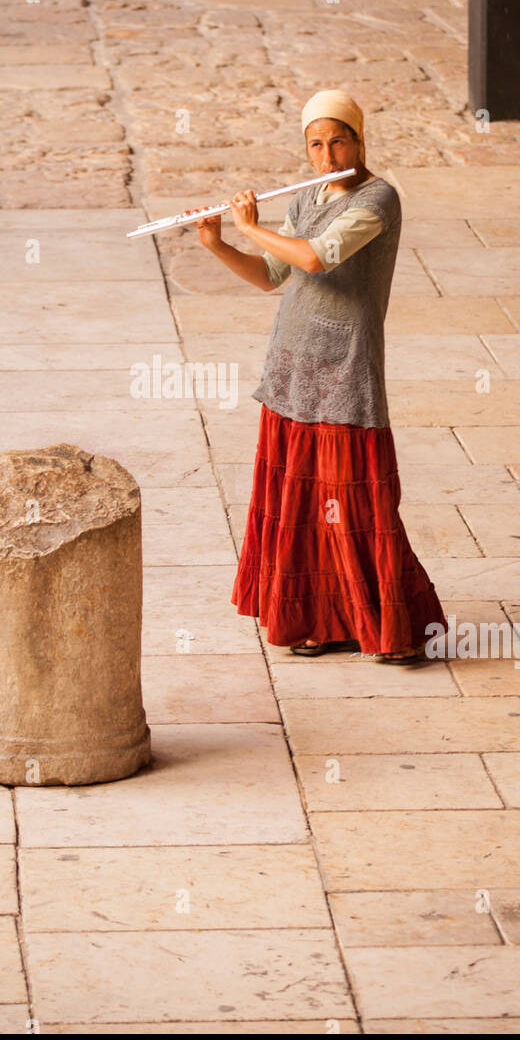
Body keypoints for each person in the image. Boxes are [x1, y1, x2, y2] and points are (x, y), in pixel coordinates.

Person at [190, 89, 447, 663]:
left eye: (339, 141)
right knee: (301, 504)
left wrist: (251, 224)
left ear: (359, 140)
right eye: (316, 144)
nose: (328, 155)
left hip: (345, 367)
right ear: (306, 152)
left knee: (356, 502)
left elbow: (317, 257)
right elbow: (272, 275)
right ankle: (317, 620)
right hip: (292, 364)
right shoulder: (306, 196)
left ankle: (386, 627)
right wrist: (219, 243)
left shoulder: (379, 198)